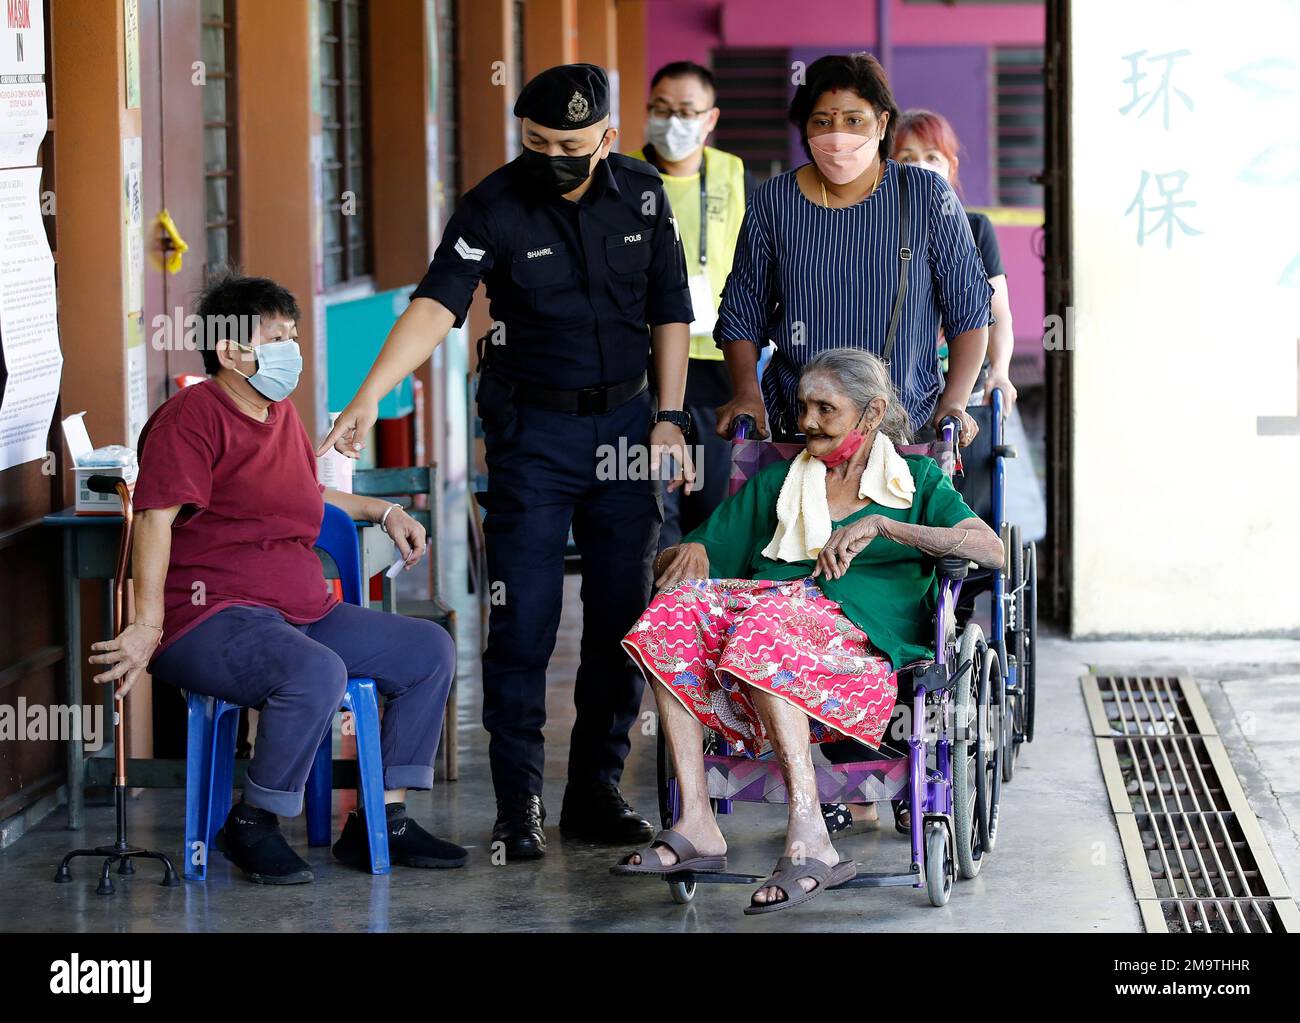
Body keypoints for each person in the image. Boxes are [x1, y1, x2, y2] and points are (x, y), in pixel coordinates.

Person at [319, 64, 695, 861]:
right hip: (535, 438)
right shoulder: (493, 203)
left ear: (608, 136)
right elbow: (435, 304)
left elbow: (669, 308)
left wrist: (668, 418)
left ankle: (595, 789)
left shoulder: (644, 195)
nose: (551, 155)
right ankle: (518, 803)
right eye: (534, 141)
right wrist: (365, 398)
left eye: (569, 144)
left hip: (629, 426)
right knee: (521, 619)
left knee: (623, 619)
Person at [88, 273, 465, 885]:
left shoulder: (279, 412)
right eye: (277, 336)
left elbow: (306, 493)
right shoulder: (190, 418)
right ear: (232, 351)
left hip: (301, 609)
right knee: (314, 671)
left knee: (428, 651)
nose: (291, 348)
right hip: (207, 618)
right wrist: (145, 625)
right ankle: (254, 822)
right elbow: (155, 518)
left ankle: (381, 818)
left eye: (293, 334)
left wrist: (385, 510)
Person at [611, 349, 1003, 913]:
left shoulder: (913, 482)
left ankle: (811, 835)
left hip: (857, 660)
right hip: (753, 653)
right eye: (802, 406)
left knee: (766, 625)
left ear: (871, 415)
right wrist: (687, 548)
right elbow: (688, 556)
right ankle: (696, 821)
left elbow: (990, 550)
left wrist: (886, 526)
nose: (808, 421)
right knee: (671, 613)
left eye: (826, 409)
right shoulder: (778, 483)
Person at [712, 52, 993, 448]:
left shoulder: (926, 195)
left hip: (902, 431)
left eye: (853, 120)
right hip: (801, 430)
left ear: (881, 123)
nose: (837, 134)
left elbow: (970, 310)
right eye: (822, 121)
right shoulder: (773, 201)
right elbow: (743, 312)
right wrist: (746, 393)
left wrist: (955, 401)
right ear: (805, 129)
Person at [628, 60, 753, 549]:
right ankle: (661, 614)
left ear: (710, 118)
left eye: (685, 111)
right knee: (655, 505)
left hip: (717, 361)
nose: (672, 122)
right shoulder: (625, 175)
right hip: (644, 363)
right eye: (660, 109)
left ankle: (707, 613)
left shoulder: (731, 172)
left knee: (714, 503)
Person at [893, 108, 1016, 408]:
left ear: (952, 167)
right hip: (899, 395)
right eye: (907, 158)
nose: (920, 167)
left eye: (933, 157)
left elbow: (998, 314)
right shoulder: (881, 233)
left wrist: (1000, 371)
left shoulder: (976, 228)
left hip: (964, 397)